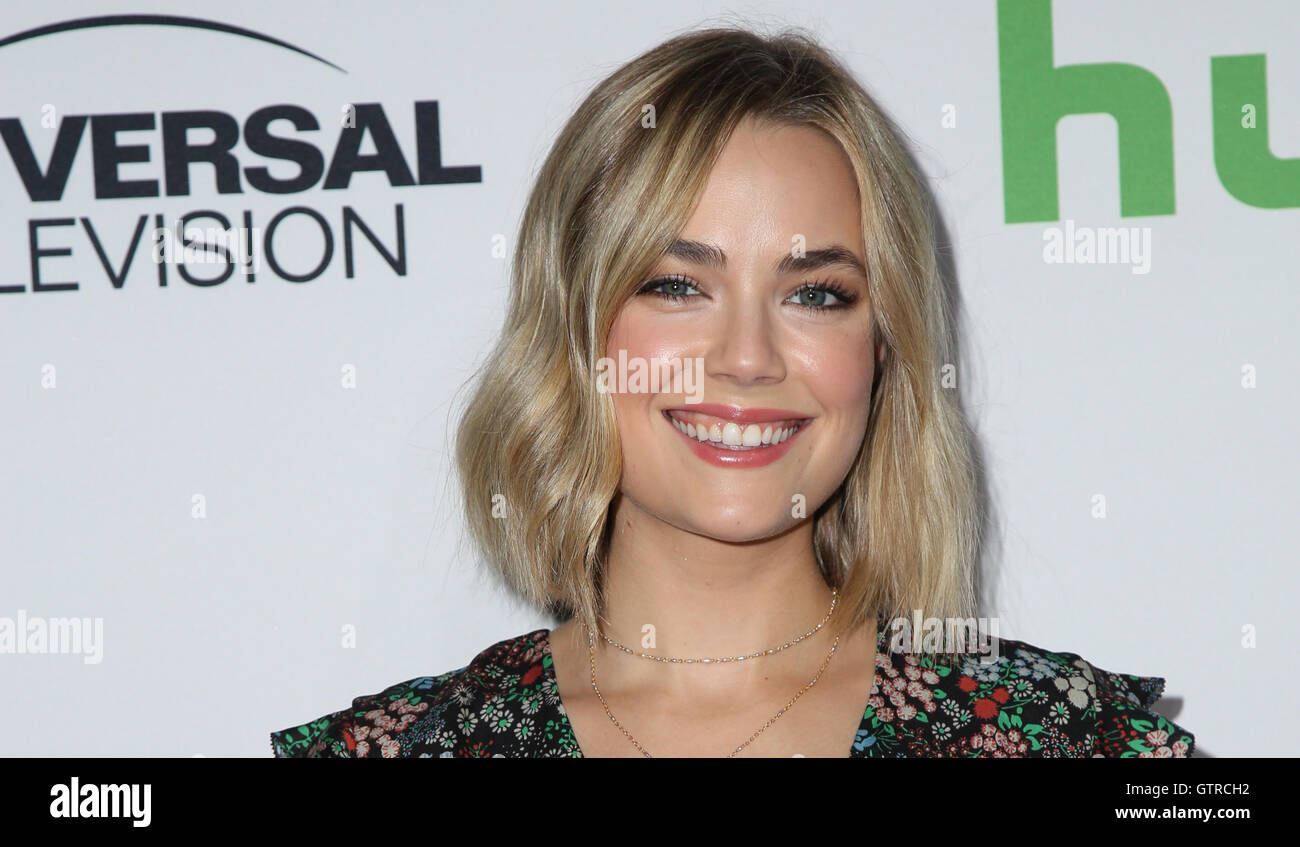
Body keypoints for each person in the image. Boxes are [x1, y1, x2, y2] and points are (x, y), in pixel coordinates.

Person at [270, 25, 1194, 758]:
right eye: (676, 285)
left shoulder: (1079, 742)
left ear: (886, 349)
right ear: (577, 332)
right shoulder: (401, 749)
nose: (747, 357)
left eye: (816, 293)